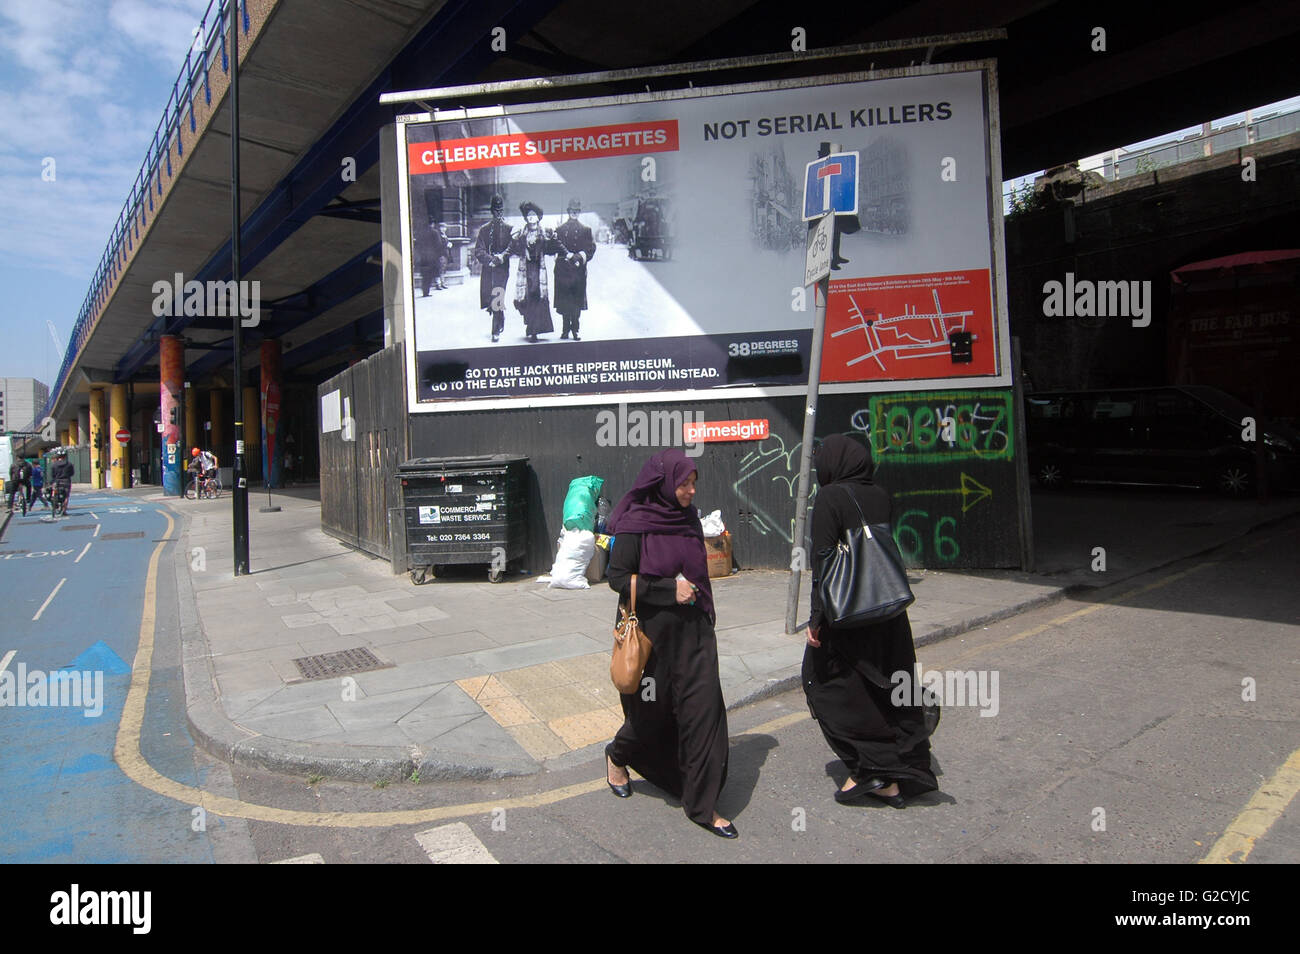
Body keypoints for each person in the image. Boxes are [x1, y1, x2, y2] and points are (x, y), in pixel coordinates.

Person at [604, 449, 736, 839]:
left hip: (694, 632)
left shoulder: (687, 518)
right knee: (651, 714)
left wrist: (705, 610)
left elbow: (698, 571)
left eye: (694, 482)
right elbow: (617, 578)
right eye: (684, 484)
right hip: (651, 634)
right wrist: (667, 590)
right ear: (663, 483)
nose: (691, 491)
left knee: (704, 711)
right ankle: (617, 754)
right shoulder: (635, 523)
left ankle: (702, 806)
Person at [803, 434, 938, 808]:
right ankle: (902, 764)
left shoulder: (829, 498)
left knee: (825, 684)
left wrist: (816, 618)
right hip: (888, 611)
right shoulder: (880, 494)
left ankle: (874, 772)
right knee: (887, 685)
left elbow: (824, 562)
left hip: (846, 615)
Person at [508, 200, 559, 343]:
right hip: (526, 270)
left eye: (533, 215)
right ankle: (531, 327)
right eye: (528, 216)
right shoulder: (522, 235)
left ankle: (535, 330)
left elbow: (550, 250)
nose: (531, 218)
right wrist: (514, 240)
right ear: (526, 219)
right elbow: (515, 250)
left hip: (538, 269)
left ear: (538, 217)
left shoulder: (543, 234)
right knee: (527, 297)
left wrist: (553, 239)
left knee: (537, 296)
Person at [553, 197, 596, 340]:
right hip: (563, 271)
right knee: (565, 300)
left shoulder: (586, 230)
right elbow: (555, 247)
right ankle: (565, 330)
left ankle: (575, 330)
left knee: (576, 301)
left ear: (579, 212)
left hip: (578, 271)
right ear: (568, 211)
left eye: (577, 211)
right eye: (572, 211)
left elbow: (590, 249)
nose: (574, 213)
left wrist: (578, 258)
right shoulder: (559, 230)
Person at [473, 194, 513, 342]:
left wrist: (502, 257)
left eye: (501, 210)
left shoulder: (509, 229)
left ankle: (495, 331)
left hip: (502, 270)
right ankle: (500, 315)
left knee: (497, 295)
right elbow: (478, 250)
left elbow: (512, 248)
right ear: (492, 211)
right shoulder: (484, 230)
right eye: (496, 211)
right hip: (489, 269)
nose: (499, 213)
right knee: (491, 298)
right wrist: (491, 260)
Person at [415, 219, 448, 296]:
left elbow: (417, 244)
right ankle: (427, 292)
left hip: (423, 257)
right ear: (432, 224)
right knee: (429, 275)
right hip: (432, 258)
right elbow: (438, 245)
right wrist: (439, 255)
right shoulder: (435, 232)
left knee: (424, 275)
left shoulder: (420, 232)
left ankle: (425, 292)